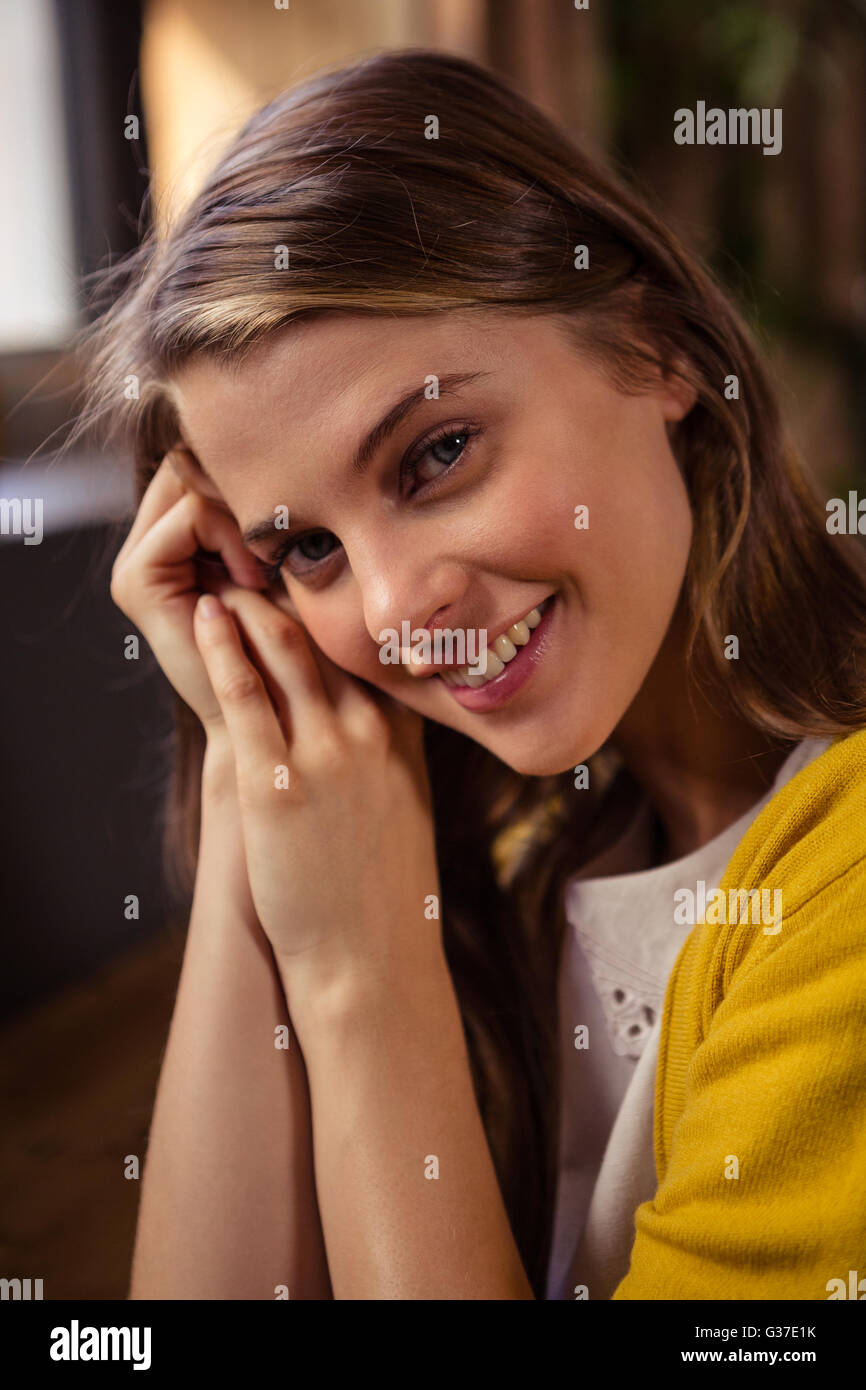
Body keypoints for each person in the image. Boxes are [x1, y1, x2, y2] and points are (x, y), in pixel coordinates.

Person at [75, 48, 866, 1300]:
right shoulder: (516, 831)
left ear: (654, 346)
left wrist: (359, 973)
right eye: (307, 548)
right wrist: (254, 752)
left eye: (437, 451)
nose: (394, 610)